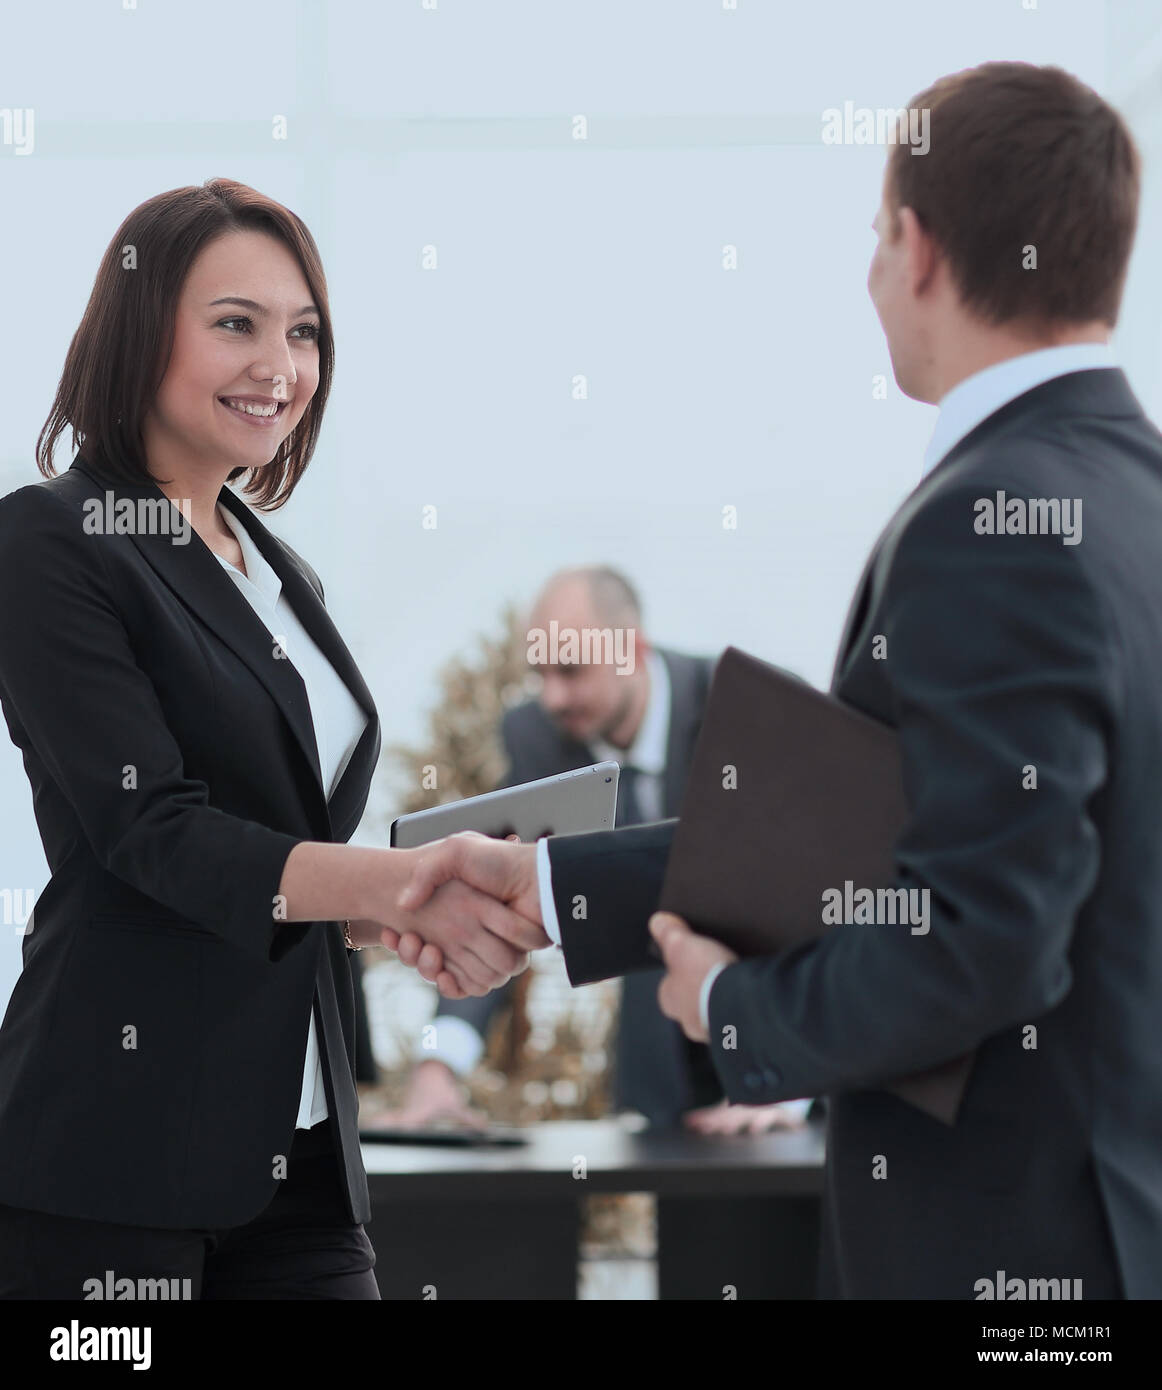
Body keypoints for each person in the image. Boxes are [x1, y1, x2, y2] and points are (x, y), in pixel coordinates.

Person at [396, 62, 1162, 1300]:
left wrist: (734, 1006)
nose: (871, 271)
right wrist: (544, 880)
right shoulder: (1132, 499)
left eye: (873, 235)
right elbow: (876, 839)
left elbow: (982, 937)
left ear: (914, 248)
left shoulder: (986, 522)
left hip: (1008, 1254)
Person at [0, 178, 545, 1300]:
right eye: (235, 323)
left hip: (297, 1148)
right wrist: (402, 885)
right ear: (139, 331)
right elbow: (153, 830)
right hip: (112, 1159)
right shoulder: (53, 538)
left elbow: (275, 853)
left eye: (302, 333)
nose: (280, 366)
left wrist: (406, 910)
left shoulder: (275, 567)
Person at [379, 565, 808, 1133]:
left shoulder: (751, 705)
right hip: (659, 1080)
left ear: (632, 650)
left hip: (783, 1058)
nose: (553, 697)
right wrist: (438, 1064)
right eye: (540, 674)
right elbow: (492, 896)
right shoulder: (537, 736)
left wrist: (788, 1081)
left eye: (571, 671)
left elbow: (810, 887)